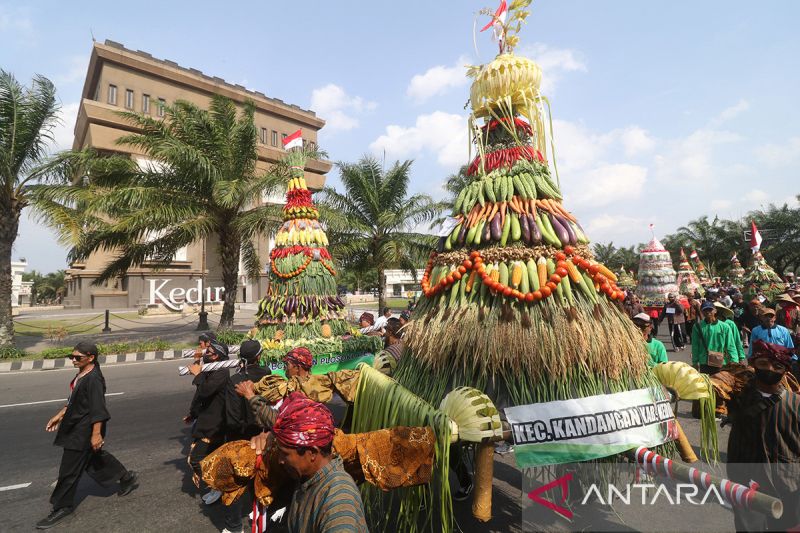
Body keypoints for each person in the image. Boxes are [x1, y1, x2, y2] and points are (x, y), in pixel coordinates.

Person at [37, 342, 138, 529]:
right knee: (91, 460)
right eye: (71, 357)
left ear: (91, 357)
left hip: (85, 429)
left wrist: (96, 434)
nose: (73, 360)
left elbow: (98, 409)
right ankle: (126, 478)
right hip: (77, 426)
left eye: (78, 357)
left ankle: (62, 507)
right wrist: (59, 415)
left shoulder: (94, 379)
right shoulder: (82, 374)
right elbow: (75, 400)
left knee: (69, 470)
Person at [726, 340, 800, 531]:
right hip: (746, 478)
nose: (769, 369)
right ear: (754, 364)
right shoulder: (736, 395)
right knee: (748, 527)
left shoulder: (796, 403)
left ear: (785, 370)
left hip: (787, 482)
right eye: (763, 364)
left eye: (777, 366)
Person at [273, 392, 368, 533]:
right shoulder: (307, 478)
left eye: (285, 454)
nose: (280, 460)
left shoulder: (339, 499)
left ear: (312, 452)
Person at [222, 339, 271, 533]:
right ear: (259, 356)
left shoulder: (235, 381)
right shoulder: (266, 374)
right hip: (262, 435)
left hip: (240, 437)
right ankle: (259, 515)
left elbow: (232, 418)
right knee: (260, 477)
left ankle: (234, 527)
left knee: (234, 482)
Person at [185, 339, 231, 506]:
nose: (206, 354)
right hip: (206, 420)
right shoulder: (212, 368)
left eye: (209, 352)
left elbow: (204, 390)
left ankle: (220, 485)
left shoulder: (222, 372)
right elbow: (199, 393)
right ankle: (220, 483)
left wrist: (198, 374)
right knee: (212, 458)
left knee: (196, 459)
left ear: (217, 355)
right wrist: (192, 413)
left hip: (215, 423)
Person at [691, 301, 739, 375]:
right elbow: (695, 346)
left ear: (715, 311)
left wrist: (734, 360)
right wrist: (695, 362)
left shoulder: (724, 327)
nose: (708, 312)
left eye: (710, 309)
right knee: (706, 384)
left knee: (720, 384)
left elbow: (730, 345)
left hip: (721, 361)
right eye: (705, 310)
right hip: (704, 362)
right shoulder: (697, 327)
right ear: (702, 312)